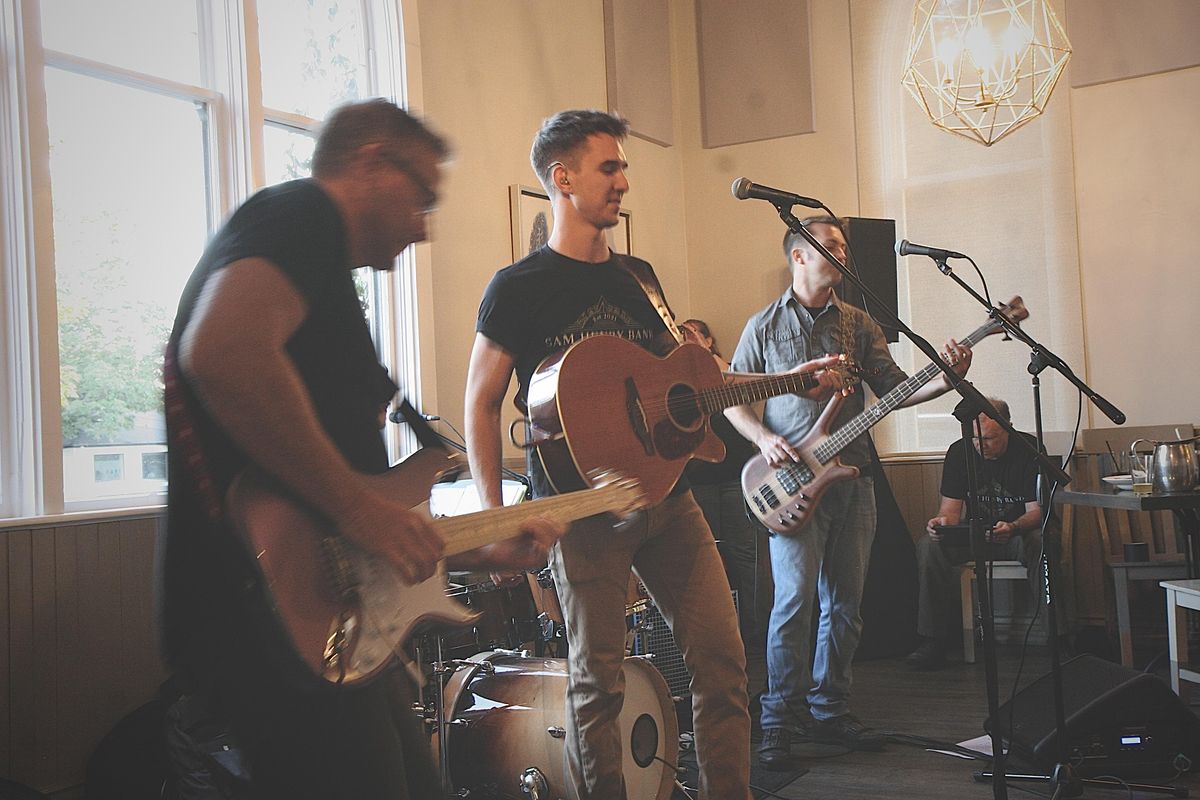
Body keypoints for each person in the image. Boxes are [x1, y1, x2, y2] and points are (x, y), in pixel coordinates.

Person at [160, 98, 562, 799]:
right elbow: (219, 350)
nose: (424, 227)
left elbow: (362, 517)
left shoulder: (324, 281)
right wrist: (359, 510)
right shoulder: (299, 215)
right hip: (262, 623)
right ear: (372, 162)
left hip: (321, 620)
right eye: (422, 198)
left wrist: (481, 549)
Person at [464, 110, 844, 800]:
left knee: (725, 664)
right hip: (583, 516)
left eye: (623, 167)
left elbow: (692, 385)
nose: (623, 180)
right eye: (609, 167)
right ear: (564, 178)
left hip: (670, 503)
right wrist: (493, 516)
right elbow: (480, 401)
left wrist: (795, 379)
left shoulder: (639, 277)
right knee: (596, 686)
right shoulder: (517, 288)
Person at [725, 218, 973, 768]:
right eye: (829, 246)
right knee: (793, 605)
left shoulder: (859, 323)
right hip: (788, 485)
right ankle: (777, 723)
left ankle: (829, 711)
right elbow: (731, 397)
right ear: (797, 256)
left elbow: (896, 388)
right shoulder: (762, 325)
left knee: (846, 607)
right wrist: (763, 437)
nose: (840, 253)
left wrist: (949, 376)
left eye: (842, 246)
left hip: (854, 479)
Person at [908, 397, 1047, 670]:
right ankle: (933, 640)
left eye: (989, 439)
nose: (980, 445)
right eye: (974, 438)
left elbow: (1037, 512)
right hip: (974, 534)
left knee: (1042, 542)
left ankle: (1057, 632)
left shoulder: (1029, 449)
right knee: (929, 546)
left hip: (1018, 533)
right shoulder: (960, 452)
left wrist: (1013, 527)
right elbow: (949, 511)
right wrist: (940, 525)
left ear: (1008, 428)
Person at [680, 318, 769, 652]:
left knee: (747, 554)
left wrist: (702, 354)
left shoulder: (727, 370)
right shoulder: (679, 379)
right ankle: (718, 638)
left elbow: (729, 384)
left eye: (693, 334)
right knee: (706, 558)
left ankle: (756, 633)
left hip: (736, 477)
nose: (686, 340)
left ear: (709, 339)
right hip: (698, 480)